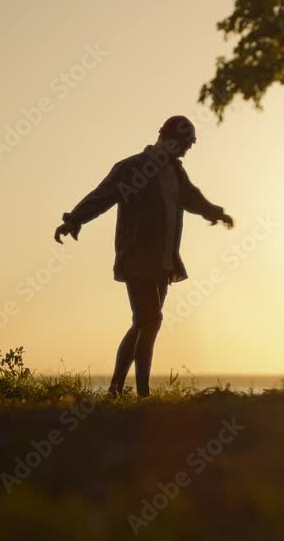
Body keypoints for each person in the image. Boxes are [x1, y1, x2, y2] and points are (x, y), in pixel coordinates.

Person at [53, 116, 234, 397]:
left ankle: (115, 389)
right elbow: (102, 195)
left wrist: (215, 212)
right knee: (151, 321)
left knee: (142, 322)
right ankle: (143, 395)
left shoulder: (176, 172)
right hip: (137, 257)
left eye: (189, 145)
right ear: (167, 138)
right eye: (184, 144)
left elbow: (192, 198)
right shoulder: (131, 168)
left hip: (164, 260)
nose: (187, 151)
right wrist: (74, 219)